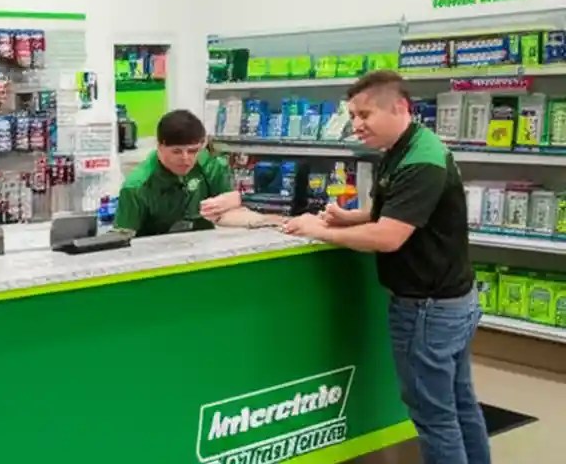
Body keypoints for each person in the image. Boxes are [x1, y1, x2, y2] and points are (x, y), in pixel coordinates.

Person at [280, 70, 490, 464]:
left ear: (399, 107)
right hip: (452, 300)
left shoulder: (420, 161)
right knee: (460, 405)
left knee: (434, 417)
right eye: (353, 116)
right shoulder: (407, 147)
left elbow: (389, 237)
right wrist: (350, 217)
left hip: (428, 309)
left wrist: (318, 231)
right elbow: (397, 212)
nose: (356, 125)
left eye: (365, 115)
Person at [114, 109, 248, 236]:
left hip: (205, 247)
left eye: (192, 151)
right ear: (159, 146)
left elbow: (232, 211)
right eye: (176, 151)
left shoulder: (210, 166)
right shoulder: (136, 187)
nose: (186, 158)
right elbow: (121, 243)